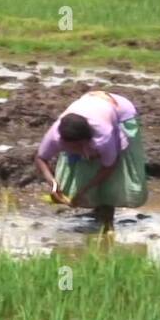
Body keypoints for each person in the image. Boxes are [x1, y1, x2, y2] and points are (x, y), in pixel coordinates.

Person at [34, 90, 148, 234]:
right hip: (91, 104)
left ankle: (106, 217)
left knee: (111, 180)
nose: (77, 150)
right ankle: (97, 211)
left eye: (79, 146)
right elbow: (40, 158)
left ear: (87, 140)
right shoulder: (56, 136)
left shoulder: (103, 136)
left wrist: (85, 190)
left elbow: (109, 166)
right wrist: (54, 185)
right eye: (71, 147)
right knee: (84, 166)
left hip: (120, 112)